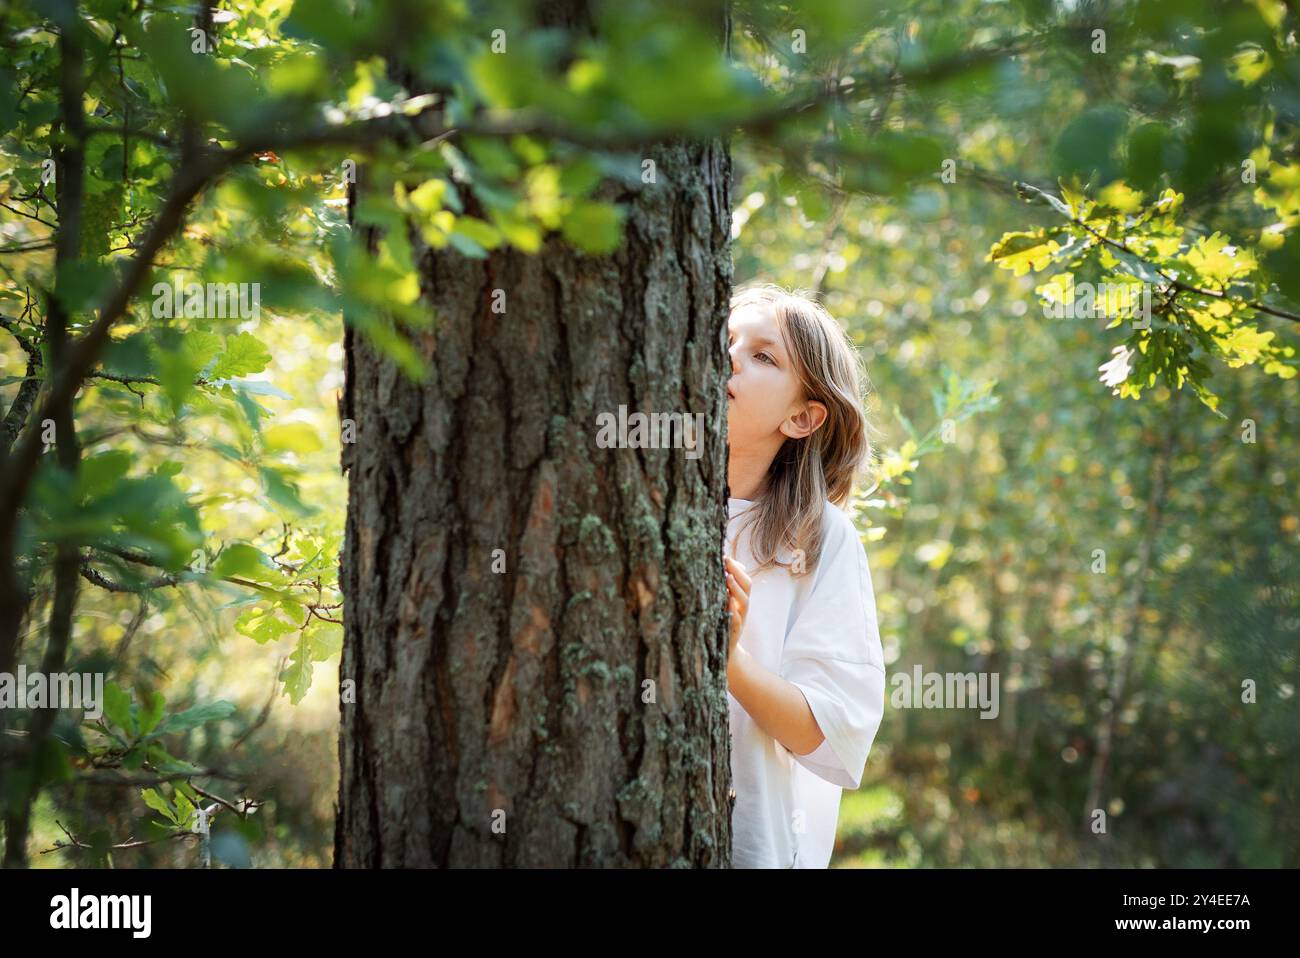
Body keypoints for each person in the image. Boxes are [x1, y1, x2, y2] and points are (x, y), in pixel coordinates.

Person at [723, 282, 886, 868]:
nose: (730, 355)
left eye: (763, 356)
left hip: (752, 847)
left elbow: (833, 739)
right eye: (727, 337)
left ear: (801, 416)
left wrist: (729, 660)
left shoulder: (821, 540)